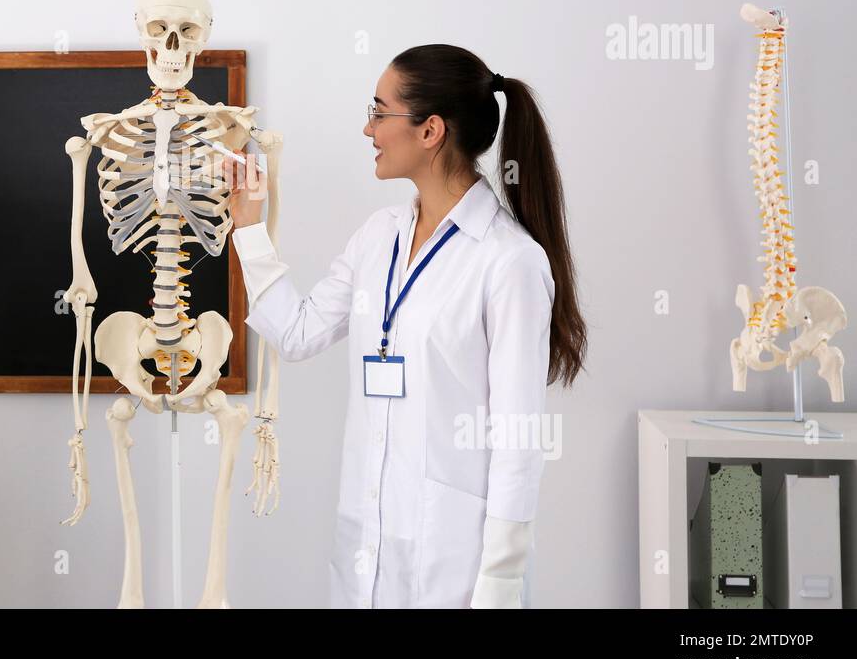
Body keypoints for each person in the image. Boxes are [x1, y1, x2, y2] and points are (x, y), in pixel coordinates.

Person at [223, 44, 587, 608]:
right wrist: (249, 229)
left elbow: (519, 442)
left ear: (430, 130)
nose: (367, 128)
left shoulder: (508, 261)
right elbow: (297, 333)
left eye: (378, 111)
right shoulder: (378, 236)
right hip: (366, 545)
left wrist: (500, 583)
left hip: (455, 563)